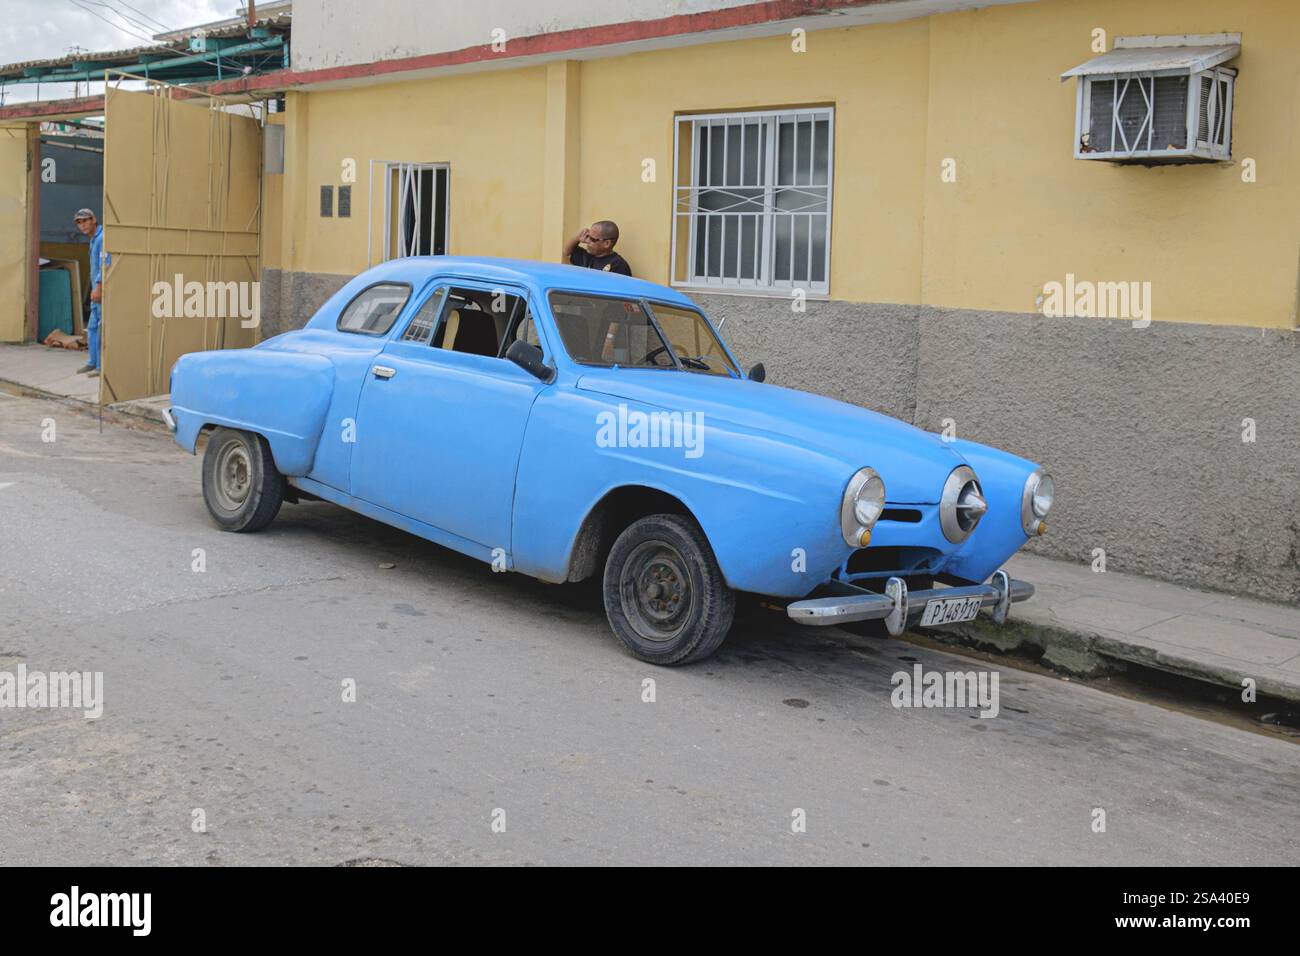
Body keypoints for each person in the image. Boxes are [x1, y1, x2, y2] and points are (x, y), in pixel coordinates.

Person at [74, 208, 108, 377]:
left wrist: (99, 287)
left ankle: (101, 367)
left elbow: (105, 263)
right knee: (93, 328)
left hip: (100, 291)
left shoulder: (102, 238)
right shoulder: (93, 239)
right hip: (96, 291)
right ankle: (92, 362)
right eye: (79, 222)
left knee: (101, 328)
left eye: (86, 221)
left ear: (94, 219)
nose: (83, 225)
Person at [563, 220, 632, 276]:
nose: (587, 241)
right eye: (588, 236)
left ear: (606, 243)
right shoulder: (588, 256)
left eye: (592, 239)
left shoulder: (618, 265)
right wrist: (577, 237)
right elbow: (567, 251)